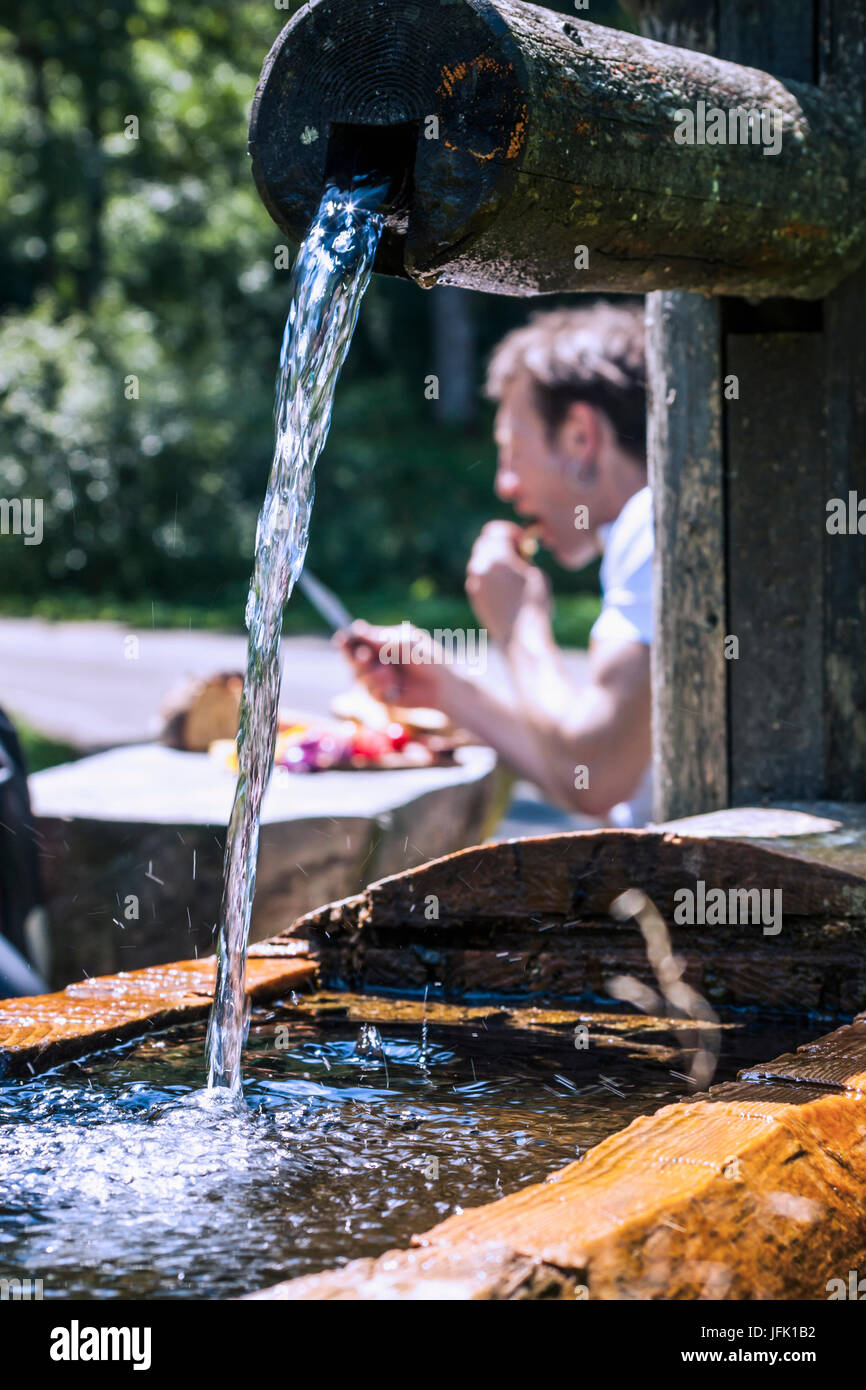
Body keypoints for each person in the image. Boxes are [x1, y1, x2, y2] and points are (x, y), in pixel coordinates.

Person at [340, 301, 653, 827]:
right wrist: (446, 692)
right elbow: (581, 781)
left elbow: (593, 774)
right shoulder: (657, 528)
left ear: (580, 436)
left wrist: (518, 625)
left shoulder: (650, 521)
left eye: (512, 452)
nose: (506, 485)